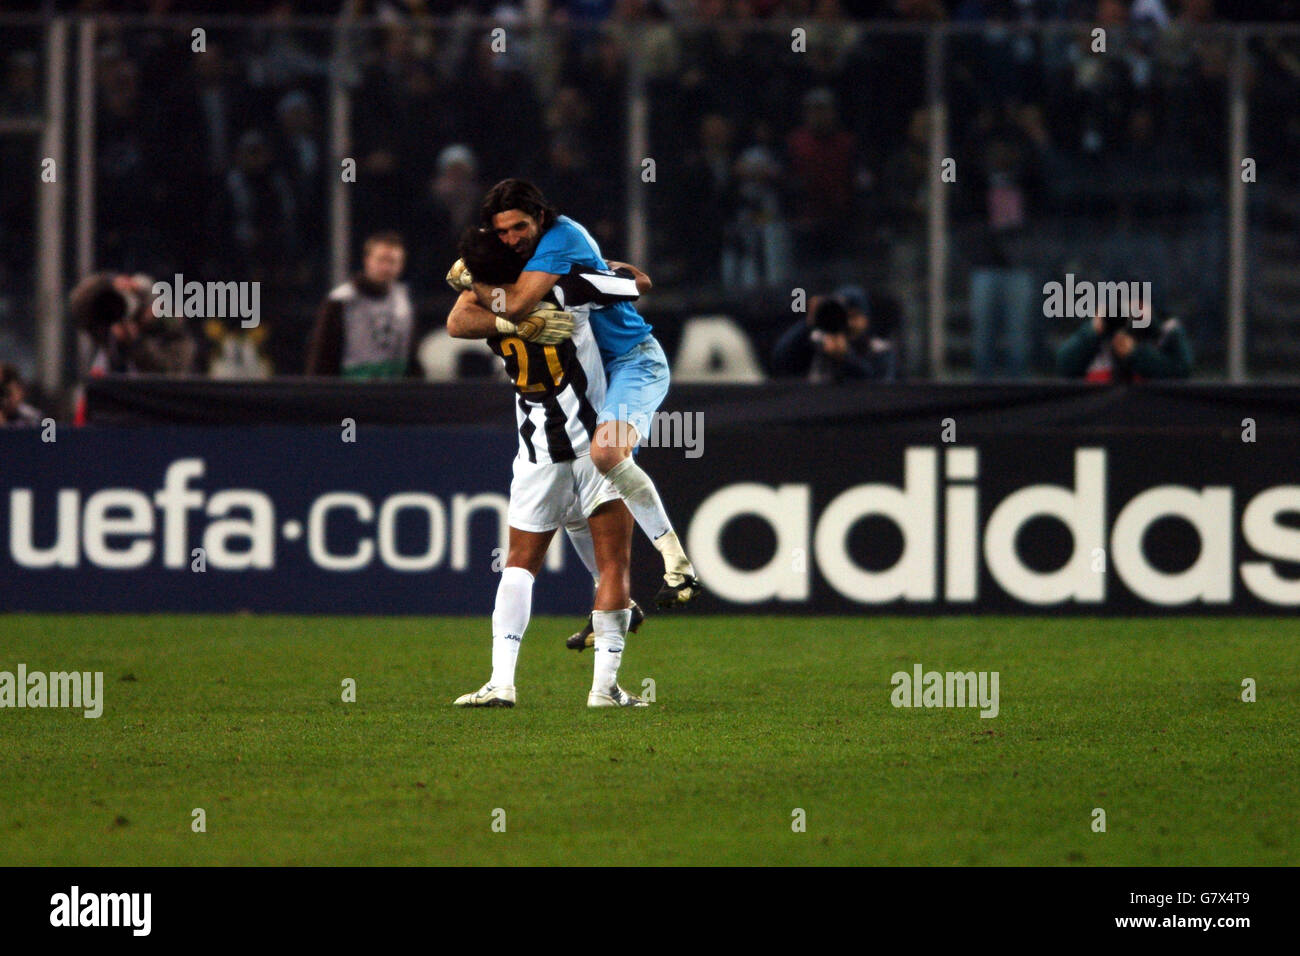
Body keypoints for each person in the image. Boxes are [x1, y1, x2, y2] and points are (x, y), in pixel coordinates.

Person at [447, 178, 701, 608]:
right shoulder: (534, 260)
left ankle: (677, 564)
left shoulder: (558, 255)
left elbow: (638, 283)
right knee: (581, 499)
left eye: (518, 229)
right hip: (594, 374)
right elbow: (458, 323)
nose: (511, 240)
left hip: (633, 361)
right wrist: (501, 306)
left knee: (604, 457)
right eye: (502, 233)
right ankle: (611, 602)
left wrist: (478, 285)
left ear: (541, 219)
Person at [449, 227, 649, 709]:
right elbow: (639, 284)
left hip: (537, 447)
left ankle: (501, 681)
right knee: (612, 565)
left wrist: (506, 316)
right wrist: (599, 265)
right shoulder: (569, 287)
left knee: (519, 564)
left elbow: (457, 322)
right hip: (594, 444)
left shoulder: (490, 306)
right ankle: (604, 689)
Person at [305, 232, 414, 379]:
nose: (386, 268)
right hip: (350, 393)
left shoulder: (403, 301)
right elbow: (321, 356)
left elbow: (411, 355)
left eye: (393, 261)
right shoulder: (341, 301)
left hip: (393, 392)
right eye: (381, 260)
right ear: (368, 260)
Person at [1055, 292, 1193, 382]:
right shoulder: (1096, 332)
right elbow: (1065, 367)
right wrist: (1093, 332)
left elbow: (1182, 373)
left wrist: (1137, 354)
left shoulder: (1166, 330)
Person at [772, 285, 898, 382]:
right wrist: (810, 322)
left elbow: (879, 391)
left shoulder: (880, 350)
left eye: (854, 316)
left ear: (866, 319)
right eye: (843, 316)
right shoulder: (817, 342)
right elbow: (781, 359)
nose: (848, 323)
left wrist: (845, 358)